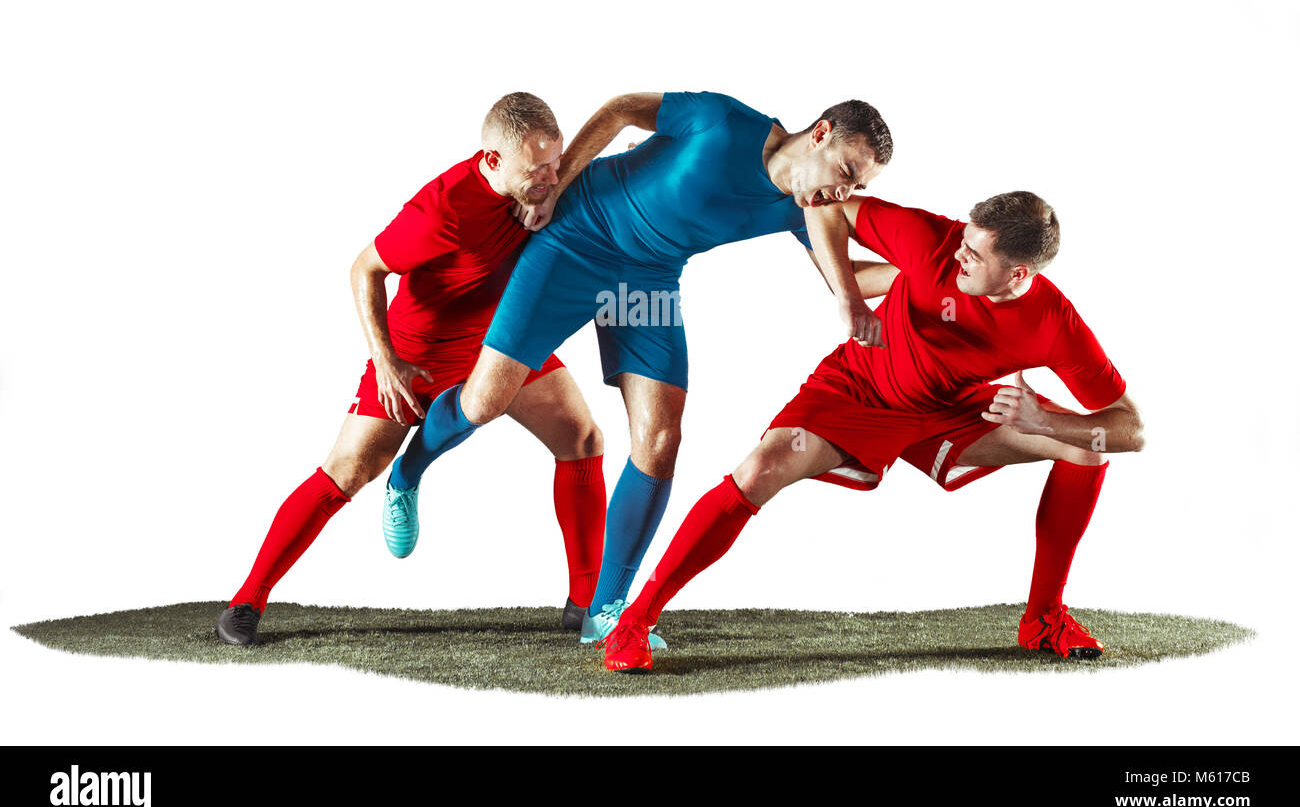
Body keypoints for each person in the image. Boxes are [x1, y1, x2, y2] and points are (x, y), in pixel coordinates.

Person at [381, 91, 899, 647]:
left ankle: (606, 611)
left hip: (646, 282)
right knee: (483, 402)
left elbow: (842, 276)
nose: (844, 192)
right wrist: (556, 188)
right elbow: (622, 109)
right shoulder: (724, 123)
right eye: (846, 172)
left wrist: (929, 276)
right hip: (574, 239)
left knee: (660, 439)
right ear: (819, 133)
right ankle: (408, 473)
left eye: (857, 186)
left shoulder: (808, 208)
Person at [601, 190, 1145, 671]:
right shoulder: (932, 238)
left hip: (949, 409)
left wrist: (1047, 421)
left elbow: (1130, 430)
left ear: (1020, 274)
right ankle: (637, 620)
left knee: (1084, 451)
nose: (960, 251)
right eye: (965, 239)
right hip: (859, 388)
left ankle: (1043, 620)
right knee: (758, 469)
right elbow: (824, 208)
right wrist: (850, 293)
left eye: (976, 255)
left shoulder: (1054, 322)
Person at [215, 93, 606, 646]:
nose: (549, 177)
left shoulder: (542, 183)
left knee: (582, 436)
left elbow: (594, 147)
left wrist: (554, 186)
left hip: (504, 337)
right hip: (421, 348)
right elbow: (364, 269)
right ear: (492, 161)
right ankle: (246, 601)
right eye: (535, 169)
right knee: (350, 469)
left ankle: (586, 604)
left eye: (554, 163)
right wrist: (386, 362)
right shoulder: (442, 208)